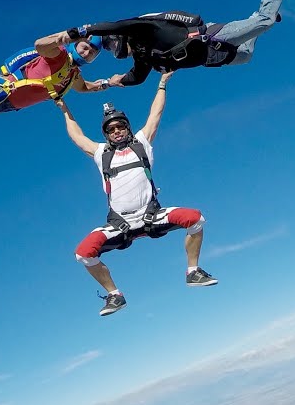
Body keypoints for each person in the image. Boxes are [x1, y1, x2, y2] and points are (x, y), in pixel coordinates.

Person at [55, 70, 218, 316]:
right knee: (83, 253)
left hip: (150, 215)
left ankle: (193, 271)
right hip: (120, 223)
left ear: (128, 128)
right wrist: (63, 106)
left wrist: (162, 83)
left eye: (121, 126)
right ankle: (114, 295)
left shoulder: (142, 144)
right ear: (106, 135)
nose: (117, 131)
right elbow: (77, 137)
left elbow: (155, 114)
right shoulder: (101, 154)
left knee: (195, 218)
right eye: (111, 129)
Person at [65, 0, 295, 88]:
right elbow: (138, 77)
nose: (112, 49)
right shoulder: (145, 56)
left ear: (118, 39)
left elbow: (117, 24)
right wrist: (115, 82)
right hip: (215, 57)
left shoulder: (142, 29)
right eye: (107, 49)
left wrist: (83, 30)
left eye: (109, 43)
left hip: (212, 36)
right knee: (248, 55)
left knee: (264, 22)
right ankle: (262, 17)